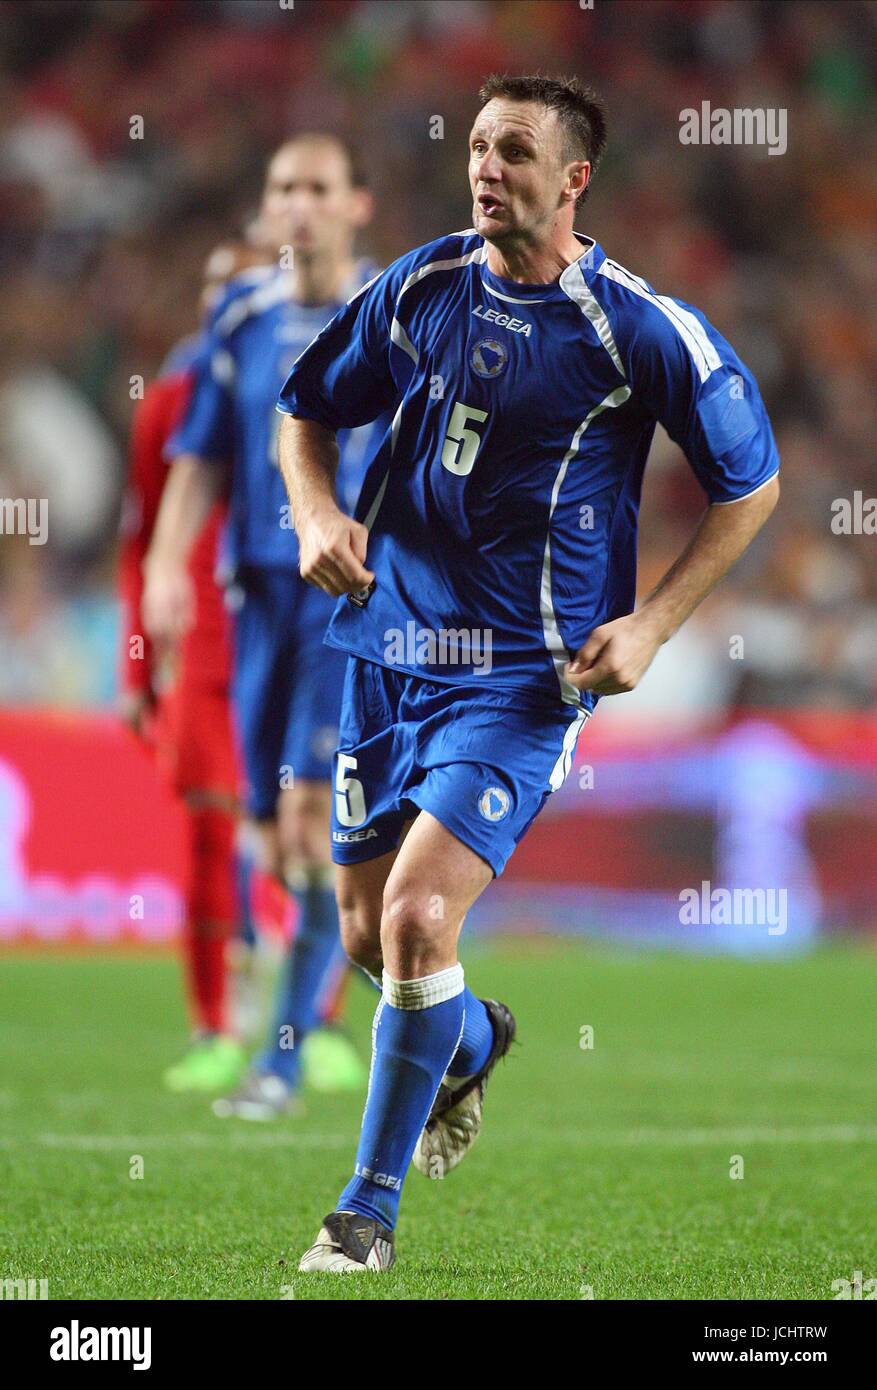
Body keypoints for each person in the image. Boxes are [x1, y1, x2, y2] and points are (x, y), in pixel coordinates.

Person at [276, 74, 780, 1271]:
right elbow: (305, 408)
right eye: (476, 145)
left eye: (512, 150)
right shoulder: (423, 283)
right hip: (387, 648)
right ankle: (467, 1042)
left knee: (415, 915)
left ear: (573, 180)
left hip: (521, 678)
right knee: (365, 931)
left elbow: (749, 484)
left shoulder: (638, 328)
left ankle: (364, 1215)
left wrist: (654, 622)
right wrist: (310, 513)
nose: (484, 167)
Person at [143, 135, 390, 1118]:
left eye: (318, 188)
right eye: (282, 186)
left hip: (352, 601)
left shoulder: (395, 311)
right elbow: (198, 455)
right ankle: (415, 1001)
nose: (299, 205)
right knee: (265, 831)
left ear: (356, 205)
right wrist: (167, 564)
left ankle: (281, 1060)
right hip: (253, 601)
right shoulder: (238, 316)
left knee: (306, 821)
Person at [119, 241, 268, 1093]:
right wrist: (135, 668)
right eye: (215, 289)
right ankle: (214, 1025)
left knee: (314, 838)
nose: (226, 305)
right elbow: (140, 540)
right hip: (205, 644)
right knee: (212, 832)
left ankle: (310, 1026)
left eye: (243, 290)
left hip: (300, 635)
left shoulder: (311, 377)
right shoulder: (170, 397)